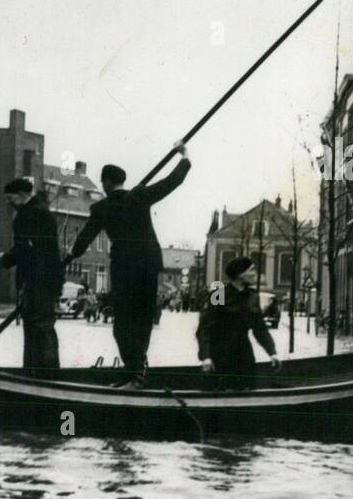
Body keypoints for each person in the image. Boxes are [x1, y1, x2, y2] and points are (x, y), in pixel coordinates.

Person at [63, 145, 192, 379]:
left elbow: (84, 239)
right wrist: (184, 157)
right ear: (122, 180)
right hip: (148, 265)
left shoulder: (101, 208)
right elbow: (172, 181)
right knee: (143, 320)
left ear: (105, 183)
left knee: (122, 324)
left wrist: (70, 255)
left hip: (124, 269)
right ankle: (137, 372)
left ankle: (133, 372)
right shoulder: (139, 196)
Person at [0, 177, 64, 370]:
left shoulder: (31, 214)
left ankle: (45, 378)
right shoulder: (38, 211)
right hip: (42, 281)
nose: (8, 202)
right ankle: (38, 374)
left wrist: (5, 260)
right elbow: (31, 247)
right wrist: (6, 255)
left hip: (40, 282)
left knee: (40, 329)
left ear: (21, 195)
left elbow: (29, 249)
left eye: (10, 197)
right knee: (37, 329)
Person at [196, 255, 280, 388]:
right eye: (251, 270)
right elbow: (204, 328)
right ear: (240, 274)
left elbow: (260, 329)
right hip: (220, 354)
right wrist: (205, 356)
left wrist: (272, 352)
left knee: (247, 390)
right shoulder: (219, 294)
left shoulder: (253, 296)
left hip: (244, 355)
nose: (255, 273)